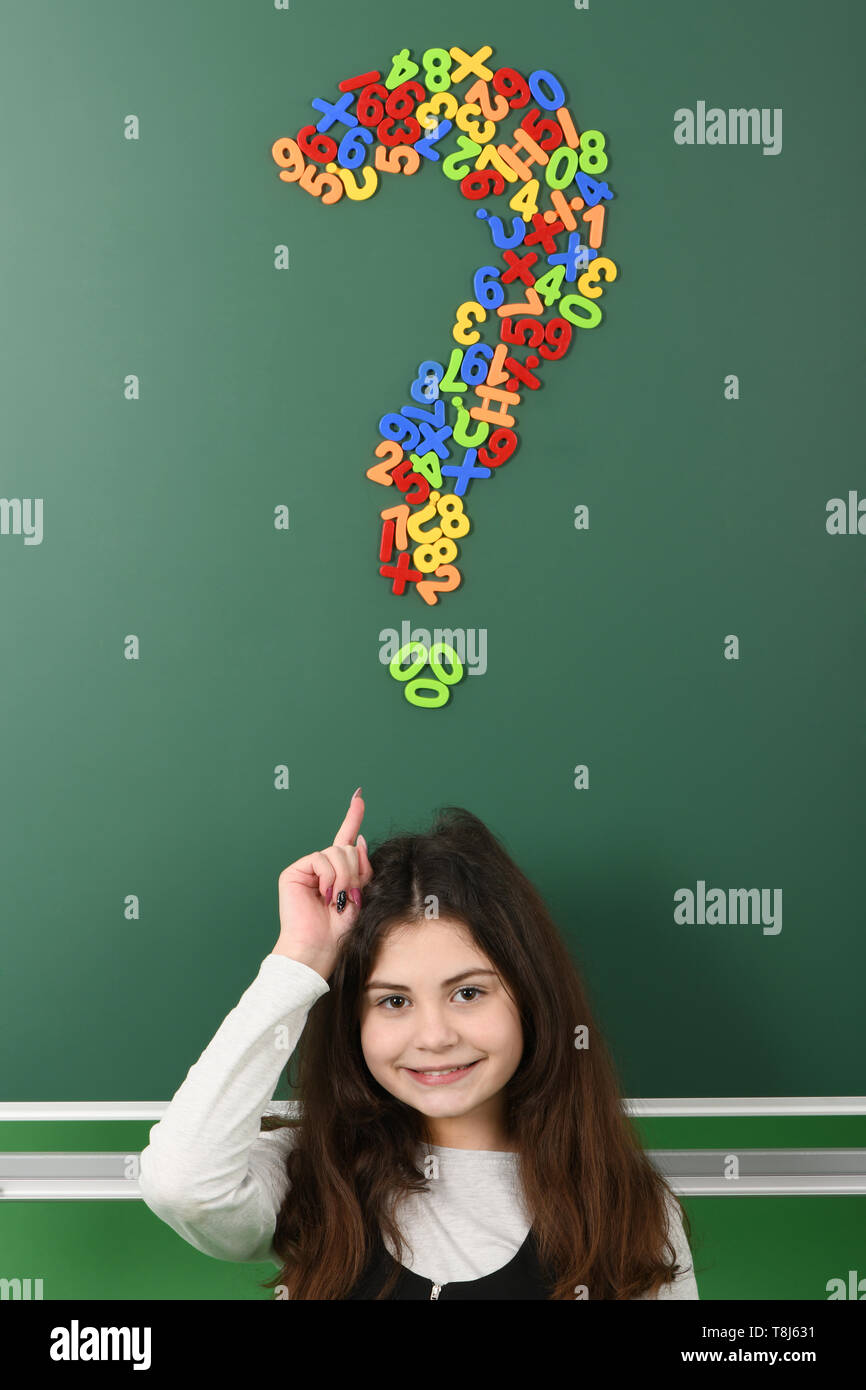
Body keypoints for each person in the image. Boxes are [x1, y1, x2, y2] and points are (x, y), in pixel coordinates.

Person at [138, 788, 700, 1300]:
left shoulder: (629, 1212)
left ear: (530, 998)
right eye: (394, 1002)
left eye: (469, 993)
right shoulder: (311, 1177)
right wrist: (301, 958)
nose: (434, 1037)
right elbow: (181, 1183)